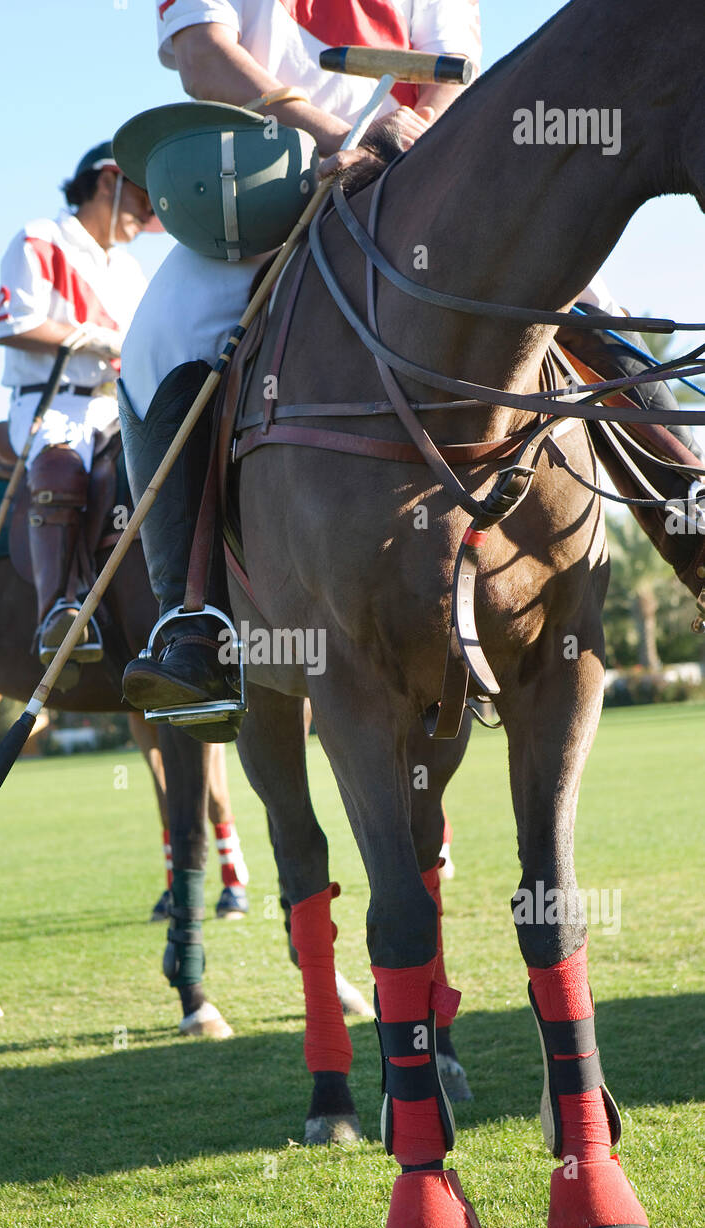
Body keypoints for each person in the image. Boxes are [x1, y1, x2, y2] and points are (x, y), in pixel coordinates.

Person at [117, 2, 482, 730]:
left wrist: (410, 138)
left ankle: (680, 514)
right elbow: (200, 52)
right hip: (267, 192)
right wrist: (337, 132)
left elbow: (455, 70)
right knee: (162, 341)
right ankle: (195, 622)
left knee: (573, 290)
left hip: (423, 181)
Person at [0, 142, 160, 683]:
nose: (148, 215)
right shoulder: (40, 238)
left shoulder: (130, 269)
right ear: (107, 182)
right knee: (63, 466)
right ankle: (58, 612)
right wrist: (95, 340)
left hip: (115, 405)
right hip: (51, 402)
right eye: (140, 198)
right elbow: (11, 325)